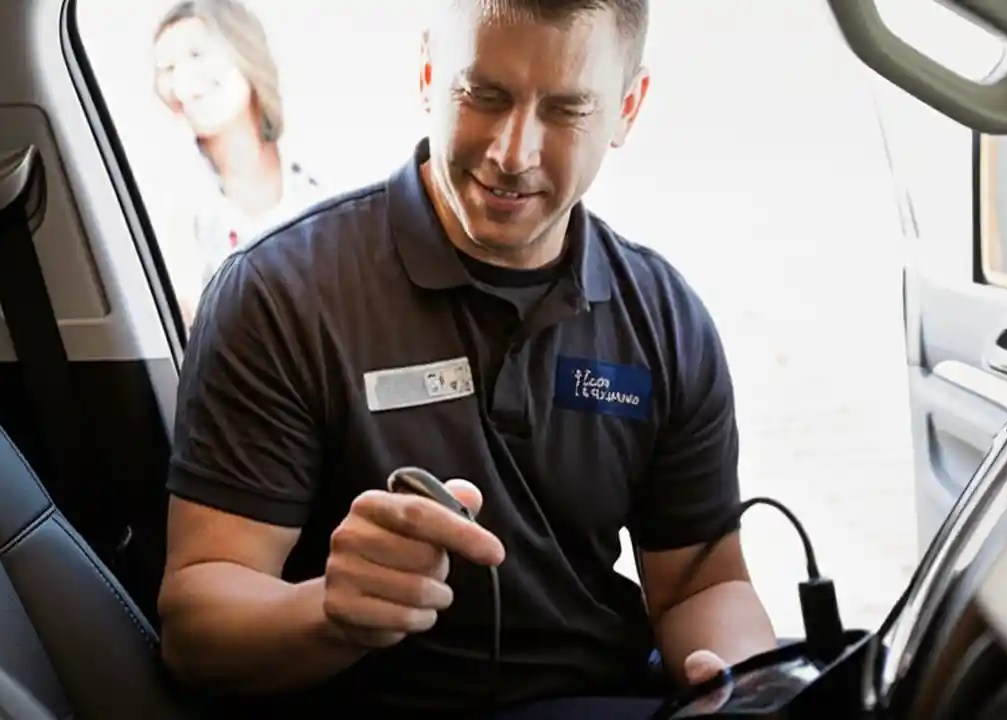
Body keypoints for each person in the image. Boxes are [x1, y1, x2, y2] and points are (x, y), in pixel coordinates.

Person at [158, 0, 778, 714]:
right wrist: (330, 613)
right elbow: (195, 626)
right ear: (429, 74)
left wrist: (743, 687)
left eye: (567, 110)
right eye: (484, 95)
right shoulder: (281, 294)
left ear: (627, 110)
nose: (513, 153)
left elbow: (704, 584)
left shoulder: (663, 316)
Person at [151, 0, 322, 327]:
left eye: (197, 54)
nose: (182, 82)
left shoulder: (317, 179)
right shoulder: (172, 204)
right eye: (167, 68)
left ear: (243, 52)